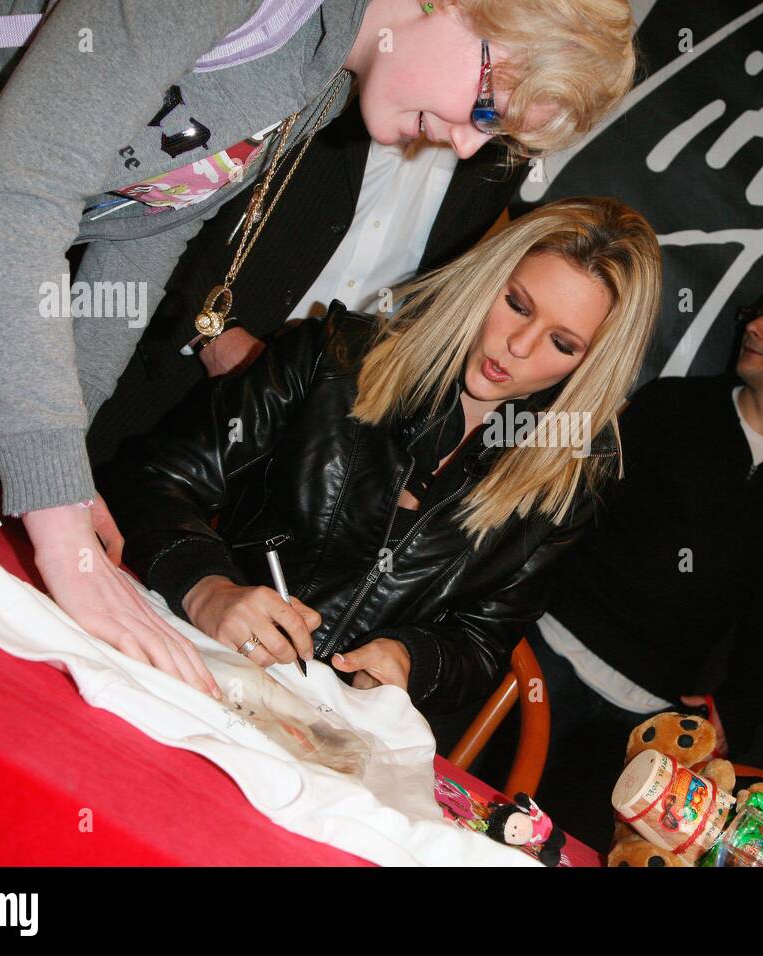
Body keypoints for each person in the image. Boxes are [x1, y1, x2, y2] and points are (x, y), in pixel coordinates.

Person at [0, 0, 638, 697]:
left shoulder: (317, 80)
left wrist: (67, 468)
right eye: (486, 106)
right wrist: (56, 521)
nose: (470, 142)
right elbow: (16, 195)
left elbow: (147, 227)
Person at [103, 198, 662, 728]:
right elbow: (157, 479)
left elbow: (482, 643)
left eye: (562, 343)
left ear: (591, 367)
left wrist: (412, 660)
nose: (518, 345)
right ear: (487, 279)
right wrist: (208, 587)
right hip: (185, 661)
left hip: (325, 729)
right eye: (516, 304)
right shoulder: (334, 358)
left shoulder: (565, 483)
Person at [523, 275, 763, 851]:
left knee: (557, 853)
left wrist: (739, 712)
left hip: (642, 724)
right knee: (450, 798)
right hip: (537, 658)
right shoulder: (674, 405)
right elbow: (570, 504)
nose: (754, 326)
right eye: (757, 314)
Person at [86, 97, 524, 468]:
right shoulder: (332, 59)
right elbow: (168, 202)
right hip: (145, 366)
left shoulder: (503, 155)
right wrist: (211, 337)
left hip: (286, 440)